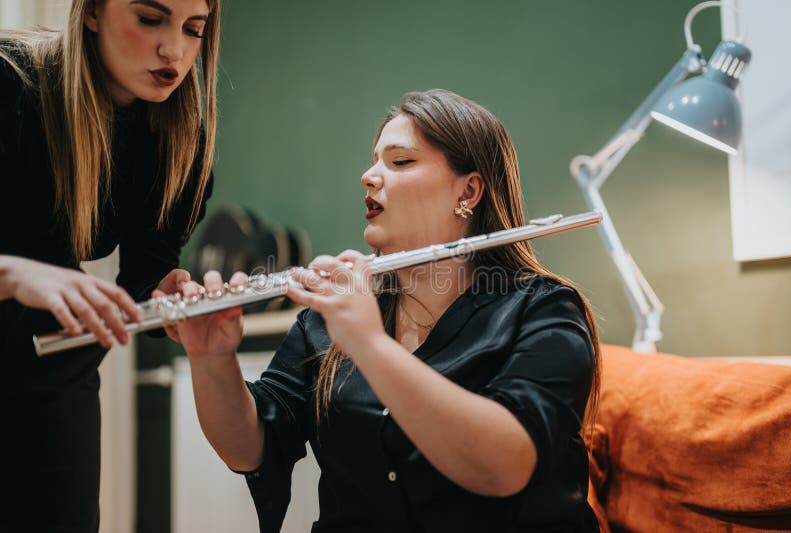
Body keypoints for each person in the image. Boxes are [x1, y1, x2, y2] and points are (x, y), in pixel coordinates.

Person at [175, 89, 601, 532]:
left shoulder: (545, 312)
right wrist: (211, 359)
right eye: (374, 160)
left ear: (468, 191)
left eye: (399, 162)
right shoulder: (328, 318)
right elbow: (251, 446)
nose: (369, 176)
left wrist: (370, 345)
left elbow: (506, 466)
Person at [0, 0, 220, 531]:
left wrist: (167, 294)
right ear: (92, 11)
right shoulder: (10, 84)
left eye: (194, 29)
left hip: (51, 364)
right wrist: (14, 272)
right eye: (150, 19)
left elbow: (147, 274)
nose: (175, 50)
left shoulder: (180, 142)